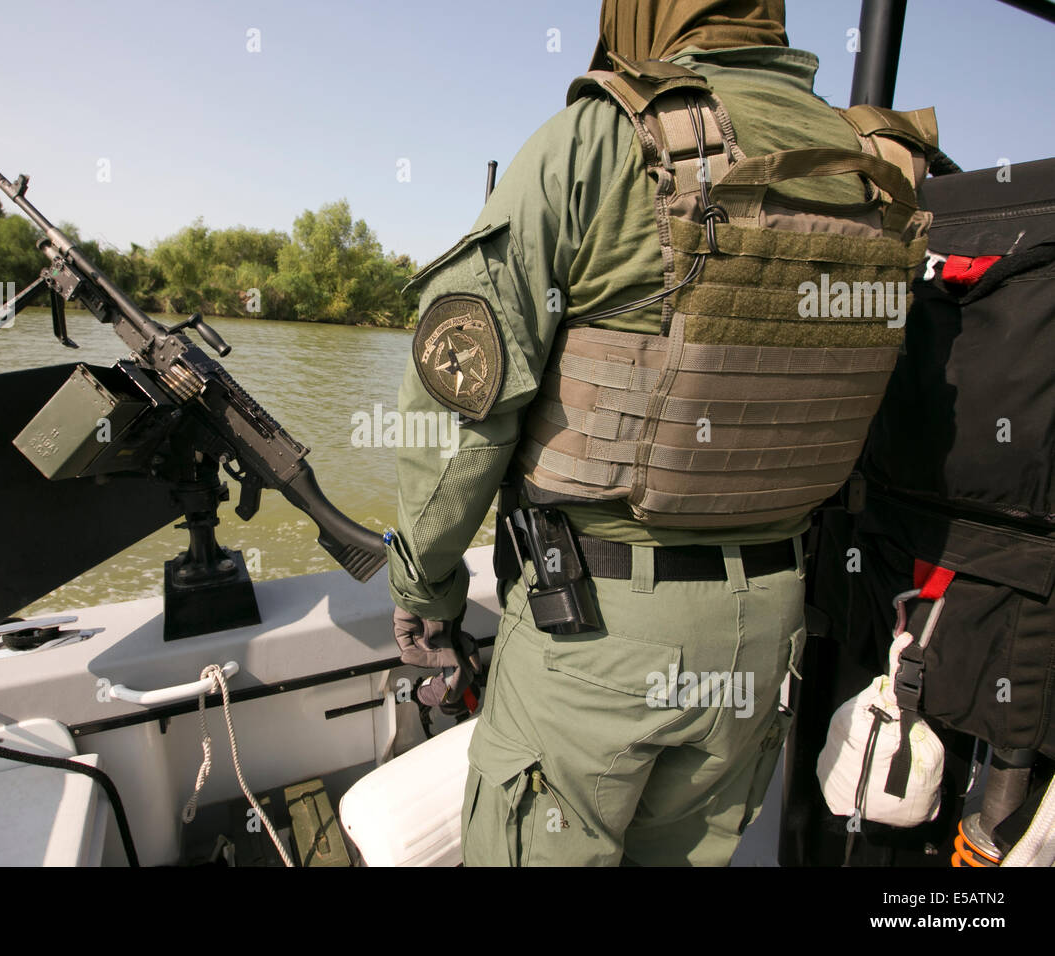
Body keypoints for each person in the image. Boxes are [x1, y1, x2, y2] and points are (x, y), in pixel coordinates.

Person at [387, 0, 936, 865]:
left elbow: (463, 416)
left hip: (596, 632)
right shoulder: (879, 165)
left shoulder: (597, 137)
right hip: (766, 633)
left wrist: (424, 593)